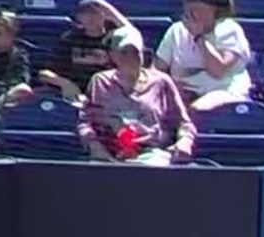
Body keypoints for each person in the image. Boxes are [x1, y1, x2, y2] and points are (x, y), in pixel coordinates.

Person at [76, 26, 196, 166]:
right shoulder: (100, 81)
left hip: (151, 153)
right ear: (112, 55)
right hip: (108, 154)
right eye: (124, 52)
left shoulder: (161, 82)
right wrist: (94, 146)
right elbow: (85, 122)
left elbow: (184, 123)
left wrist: (184, 142)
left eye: (135, 52)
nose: (130, 57)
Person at [154, 0, 253, 111]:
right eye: (187, 0)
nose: (188, 5)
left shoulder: (229, 29)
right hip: (184, 93)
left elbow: (217, 71)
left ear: (212, 7)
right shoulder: (176, 30)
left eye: (194, 1)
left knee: (198, 109)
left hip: (223, 92)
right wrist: (170, 87)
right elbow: (156, 70)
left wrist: (199, 37)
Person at [38, 0, 132, 105]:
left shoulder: (116, 38)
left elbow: (133, 38)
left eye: (96, 11)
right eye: (85, 12)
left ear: (106, 14)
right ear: (77, 16)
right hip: (76, 98)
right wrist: (65, 84)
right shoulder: (70, 39)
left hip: (110, 97)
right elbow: (45, 74)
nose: (91, 17)